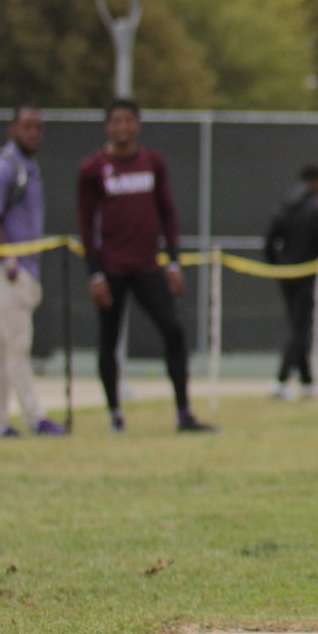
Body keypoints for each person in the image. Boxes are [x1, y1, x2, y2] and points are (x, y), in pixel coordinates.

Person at [76, 98, 214, 434]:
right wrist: (94, 272)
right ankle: (115, 415)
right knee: (109, 338)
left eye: (128, 121)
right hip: (112, 267)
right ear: (108, 126)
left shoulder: (152, 163)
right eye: (116, 121)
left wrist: (173, 262)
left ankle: (183, 412)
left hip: (147, 265)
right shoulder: (93, 168)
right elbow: (86, 223)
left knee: (173, 330)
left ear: (137, 125)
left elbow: (168, 213)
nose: (122, 128)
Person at [0, 105, 66, 438]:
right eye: (27, 126)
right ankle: (35, 416)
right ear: (12, 128)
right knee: (18, 347)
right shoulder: (4, 167)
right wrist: (8, 262)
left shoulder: (29, 167)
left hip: (24, 268)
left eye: (38, 127)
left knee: (2, 351)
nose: (33, 133)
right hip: (7, 270)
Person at [263, 165, 318, 401]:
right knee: (300, 328)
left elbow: (268, 241)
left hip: (286, 274)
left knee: (297, 324)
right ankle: (281, 380)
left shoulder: (285, 204)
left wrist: (278, 265)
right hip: (306, 273)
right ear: (316, 182)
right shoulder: (317, 207)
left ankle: (307, 382)